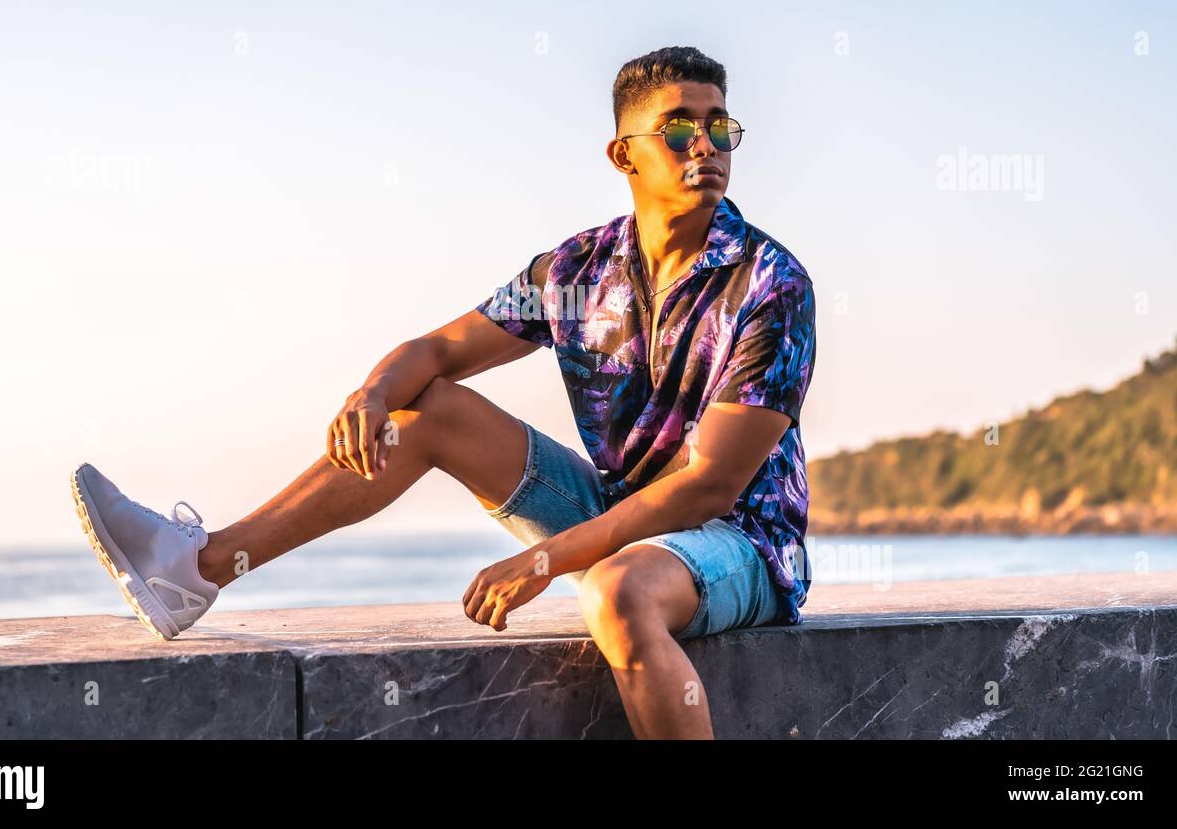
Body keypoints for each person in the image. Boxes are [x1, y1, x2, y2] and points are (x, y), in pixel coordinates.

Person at [70, 45, 817, 739]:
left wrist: (543, 561)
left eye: (721, 128)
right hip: (619, 512)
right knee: (426, 409)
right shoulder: (577, 270)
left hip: (740, 542)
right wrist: (370, 394)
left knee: (617, 593)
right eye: (680, 130)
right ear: (625, 154)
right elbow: (436, 351)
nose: (707, 148)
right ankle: (194, 571)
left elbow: (707, 489)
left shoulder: (770, 283)